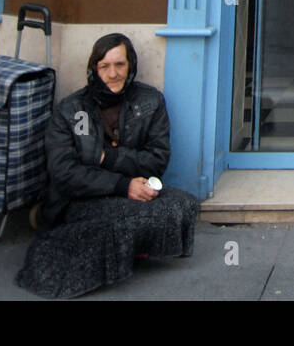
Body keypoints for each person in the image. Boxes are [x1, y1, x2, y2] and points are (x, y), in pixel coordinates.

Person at [16, 33, 199, 298]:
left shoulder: (150, 101)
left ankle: (125, 242)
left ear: (131, 66)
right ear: (94, 69)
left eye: (120, 65)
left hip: (129, 190)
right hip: (81, 198)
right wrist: (123, 185)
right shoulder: (71, 110)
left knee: (184, 204)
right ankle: (99, 240)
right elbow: (64, 173)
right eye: (104, 66)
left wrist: (109, 158)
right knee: (119, 222)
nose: (113, 74)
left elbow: (157, 159)